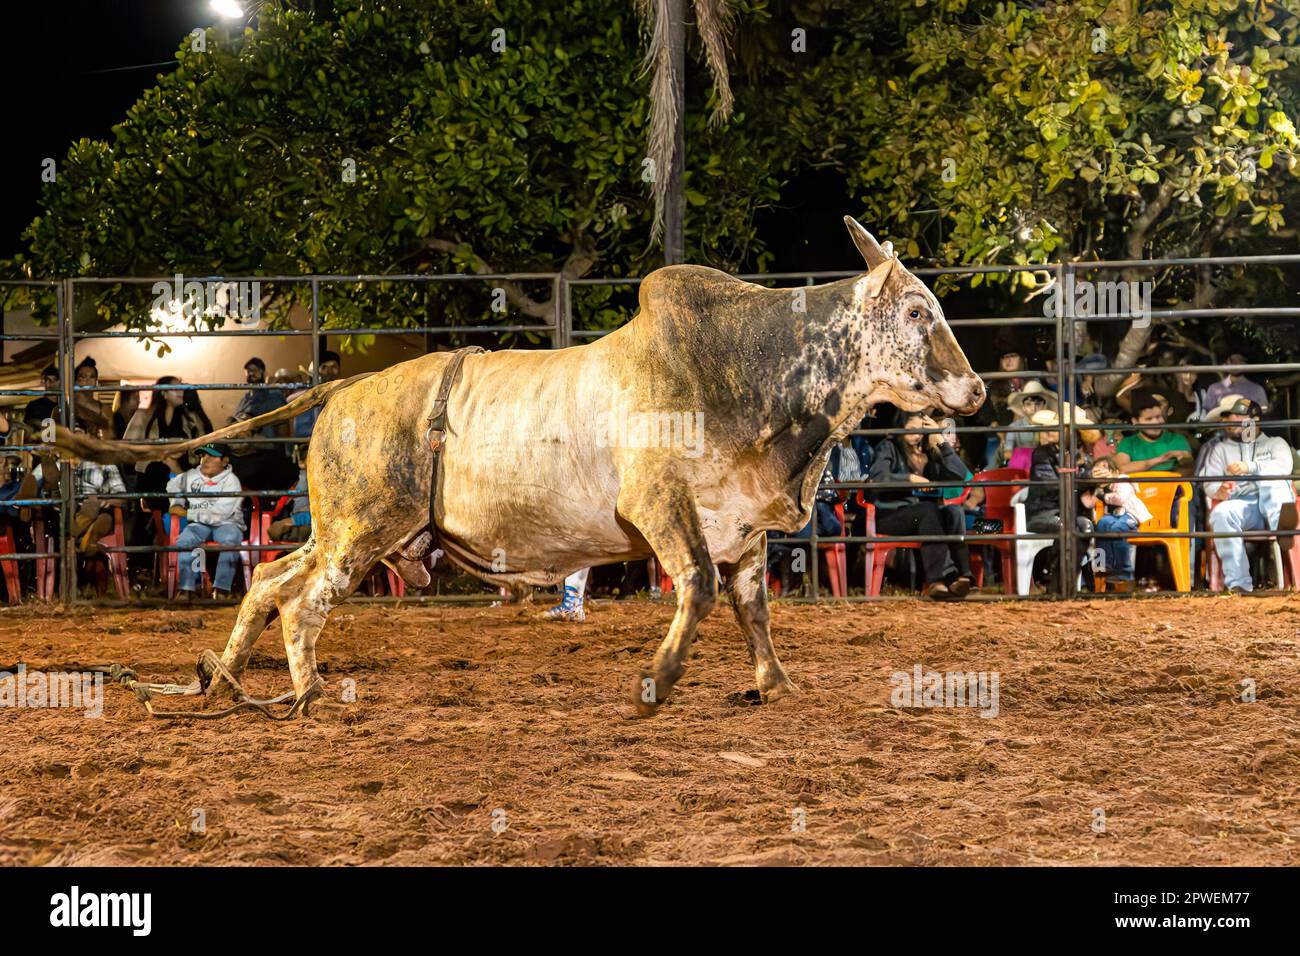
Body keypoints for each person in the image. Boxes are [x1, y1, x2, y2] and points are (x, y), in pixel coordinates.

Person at [866, 412, 973, 600]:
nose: (916, 434)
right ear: (900, 427)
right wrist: (909, 479)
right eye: (911, 429)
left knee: (954, 510)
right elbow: (878, 478)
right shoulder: (888, 447)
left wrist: (941, 441)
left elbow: (961, 475)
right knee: (928, 510)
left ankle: (963, 577)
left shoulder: (929, 453)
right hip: (892, 514)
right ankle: (941, 579)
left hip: (925, 519)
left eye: (921, 430)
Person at [1199, 398, 1296, 594]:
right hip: (1245, 506)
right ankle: (1239, 585)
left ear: (1255, 420)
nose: (1232, 421)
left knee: (1272, 479)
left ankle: (1281, 528)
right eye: (1230, 417)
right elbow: (1209, 483)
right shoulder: (1221, 449)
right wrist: (1219, 490)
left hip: (1275, 502)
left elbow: (1285, 468)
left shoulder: (1275, 443)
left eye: (1239, 417)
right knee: (1221, 513)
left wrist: (1250, 467)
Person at [1022, 404, 1101, 590]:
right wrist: (1085, 479)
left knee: (1085, 526)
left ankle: (1064, 583)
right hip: (1043, 512)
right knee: (1066, 526)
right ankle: (1057, 584)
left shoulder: (1083, 458)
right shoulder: (1042, 453)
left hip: (1071, 513)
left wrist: (1095, 482)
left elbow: (1080, 487)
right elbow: (1049, 484)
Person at [166, 443, 245, 601]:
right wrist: (176, 501)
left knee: (231, 540)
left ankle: (221, 589)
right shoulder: (191, 476)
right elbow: (172, 484)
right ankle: (187, 588)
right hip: (200, 523)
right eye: (202, 456)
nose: (205, 460)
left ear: (224, 461)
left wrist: (188, 513)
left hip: (227, 523)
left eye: (211, 456)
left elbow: (220, 514)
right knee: (185, 539)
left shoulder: (231, 481)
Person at [125, 377, 214, 511]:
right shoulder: (143, 415)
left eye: (181, 388)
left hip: (182, 473)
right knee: (156, 470)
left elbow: (203, 446)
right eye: (175, 388)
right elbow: (128, 447)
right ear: (163, 393)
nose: (181, 391)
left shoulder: (189, 417)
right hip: (154, 475)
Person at [228, 356, 296, 499]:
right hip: (246, 454)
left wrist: (284, 451)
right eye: (247, 371)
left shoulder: (273, 395)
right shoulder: (244, 400)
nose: (251, 373)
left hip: (268, 452)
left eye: (254, 370)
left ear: (263, 371)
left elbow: (282, 424)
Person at [1082, 456, 1151, 594]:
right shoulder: (1100, 488)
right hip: (1113, 517)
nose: (1101, 471)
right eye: (1097, 469)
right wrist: (1087, 485)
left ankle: (1124, 571)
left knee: (1116, 529)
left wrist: (1104, 495)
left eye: (1105, 467)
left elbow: (1121, 499)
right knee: (1101, 525)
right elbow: (1088, 503)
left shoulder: (1121, 480)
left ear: (1114, 472)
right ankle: (1102, 566)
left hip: (1130, 515)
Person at [69, 423, 128, 552]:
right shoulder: (58, 465)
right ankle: (88, 539)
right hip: (67, 510)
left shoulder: (104, 463)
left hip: (99, 507)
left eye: (78, 434)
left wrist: (108, 501)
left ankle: (83, 535)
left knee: (103, 514)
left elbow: (121, 495)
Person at [1113, 397, 1193, 475]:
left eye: (1158, 417)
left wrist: (1185, 458)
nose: (1156, 422)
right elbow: (1122, 469)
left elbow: (1189, 469)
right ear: (1135, 421)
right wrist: (1160, 459)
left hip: (1173, 487)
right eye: (1149, 419)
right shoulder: (1127, 443)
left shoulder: (1177, 439)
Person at [1000, 380, 1055, 467]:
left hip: (1044, 466)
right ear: (1023, 407)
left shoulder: (1050, 426)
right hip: (1020, 466)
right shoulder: (1014, 426)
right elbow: (1007, 453)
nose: (1033, 408)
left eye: (1038, 404)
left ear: (1044, 406)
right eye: (1029, 404)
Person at [294, 350, 341, 442]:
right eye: (324, 367)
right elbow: (301, 430)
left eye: (333, 366)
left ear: (339, 369)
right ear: (318, 371)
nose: (329, 371)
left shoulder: (346, 392)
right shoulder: (310, 397)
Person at [1203, 354, 1269, 413]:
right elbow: (1209, 414)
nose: (1236, 364)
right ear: (1225, 364)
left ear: (1245, 364)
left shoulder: (1257, 389)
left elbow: (1263, 412)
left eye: (1239, 360)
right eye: (1232, 361)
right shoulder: (1214, 388)